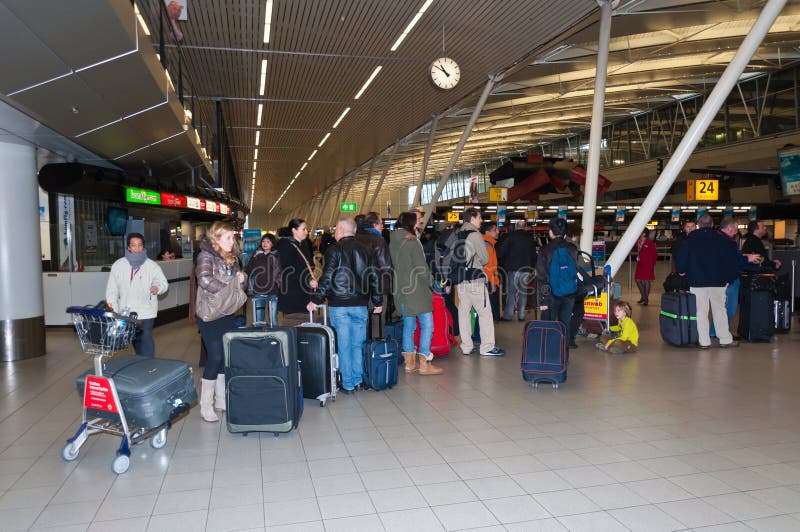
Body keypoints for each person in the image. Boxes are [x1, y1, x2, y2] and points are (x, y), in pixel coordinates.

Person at [308, 218, 382, 393]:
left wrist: (316, 300)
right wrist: (377, 301)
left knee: (344, 345)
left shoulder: (334, 250)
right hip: (360, 304)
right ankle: (357, 380)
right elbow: (375, 277)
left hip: (339, 305)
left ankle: (347, 384)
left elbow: (327, 277)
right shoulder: (367, 250)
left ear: (340, 230)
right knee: (358, 344)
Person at [195, 222, 247, 422]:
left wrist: (242, 278)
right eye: (227, 238)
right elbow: (204, 280)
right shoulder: (205, 256)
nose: (231, 241)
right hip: (209, 313)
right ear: (216, 239)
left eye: (232, 237)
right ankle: (205, 405)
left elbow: (239, 279)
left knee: (225, 355)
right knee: (215, 355)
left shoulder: (231, 258)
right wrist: (228, 287)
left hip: (225, 312)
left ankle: (221, 400)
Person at [389, 212, 443, 375]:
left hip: (401, 289)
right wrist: (431, 282)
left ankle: (409, 363)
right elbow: (421, 268)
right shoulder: (412, 243)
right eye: (418, 218)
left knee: (409, 326)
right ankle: (425, 363)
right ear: (412, 223)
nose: (420, 220)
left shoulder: (393, 241)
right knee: (427, 325)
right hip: (417, 291)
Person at [675, 214, 740, 349]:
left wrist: (681, 271)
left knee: (701, 311)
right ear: (712, 224)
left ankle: (704, 341)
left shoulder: (690, 239)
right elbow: (732, 261)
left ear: (698, 225)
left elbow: (682, 259)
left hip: (697, 282)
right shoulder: (722, 239)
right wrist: (729, 278)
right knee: (720, 310)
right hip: (718, 282)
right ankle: (725, 339)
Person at [105, 232, 168, 358]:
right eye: (133, 245)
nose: (137, 248)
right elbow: (112, 290)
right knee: (136, 342)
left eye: (139, 245)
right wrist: (115, 311)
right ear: (128, 247)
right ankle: (141, 365)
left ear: (143, 247)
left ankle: (149, 368)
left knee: (145, 341)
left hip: (146, 312)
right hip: (126, 312)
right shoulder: (118, 265)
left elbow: (163, 283)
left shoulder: (151, 265)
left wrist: (157, 287)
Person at [454, 208, 505, 356]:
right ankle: (487, 347)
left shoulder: (457, 233)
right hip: (475, 279)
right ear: (472, 218)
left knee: (463, 312)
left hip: (461, 280)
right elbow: (485, 259)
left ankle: (466, 346)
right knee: (485, 313)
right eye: (480, 217)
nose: (481, 220)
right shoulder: (475, 235)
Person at [711, 217, 760, 339]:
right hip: (729, 280)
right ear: (729, 228)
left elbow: (726, 257)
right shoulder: (727, 241)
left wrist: (742, 255)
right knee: (730, 308)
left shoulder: (715, 238)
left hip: (718, 278)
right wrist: (747, 259)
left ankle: (714, 331)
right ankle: (721, 333)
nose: (736, 232)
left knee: (721, 308)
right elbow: (732, 260)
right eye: (735, 229)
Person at [536, 218, 579, 338]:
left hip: (551, 295)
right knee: (565, 324)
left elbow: (542, 276)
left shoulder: (544, 250)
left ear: (550, 232)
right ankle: (563, 353)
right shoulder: (573, 248)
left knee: (548, 326)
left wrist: (543, 300)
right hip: (569, 293)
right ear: (565, 233)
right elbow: (575, 270)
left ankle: (547, 352)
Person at [356, 211, 393, 334]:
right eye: (381, 223)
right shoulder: (379, 241)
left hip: (359, 289)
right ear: (374, 225)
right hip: (378, 288)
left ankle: (363, 349)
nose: (383, 226)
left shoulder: (356, 239)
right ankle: (375, 350)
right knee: (377, 323)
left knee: (361, 323)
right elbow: (386, 268)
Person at [277, 219, 318, 327]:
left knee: (306, 322)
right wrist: (307, 280)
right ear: (294, 230)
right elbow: (289, 269)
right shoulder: (285, 246)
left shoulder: (303, 244)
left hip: (304, 290)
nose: (306, 232)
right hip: (292, 292)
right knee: (293, 321)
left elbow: (309, 263)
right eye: (303, 229)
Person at [496, 220, 537, 321]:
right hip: (526, 268)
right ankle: (521, 315)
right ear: (525, 227)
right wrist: (532, 267)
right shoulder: (530, 238)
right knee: (523, 292)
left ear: (516, 226)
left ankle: (508, 316)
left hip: (513, 268)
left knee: (511, 292)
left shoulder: (510, 237)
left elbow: (501, 252)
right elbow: (534, 255)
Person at [244, 233, 281, 325]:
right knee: (259, 321)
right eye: (263, 241)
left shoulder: (277, 256)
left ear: (272, 243)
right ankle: (260, 338)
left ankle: (275, 338)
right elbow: (248, 268)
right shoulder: (257, 255)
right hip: (259, 291)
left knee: (273, 320)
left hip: (273, 290)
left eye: (268, 241)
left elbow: (281, 272)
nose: (265, 243)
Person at [566, 223, 587, 349]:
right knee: (578, 312)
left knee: (565, 312)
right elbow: (581, 265)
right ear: (576, 234)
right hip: (574, 285)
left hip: (561, 285)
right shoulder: (574, 246)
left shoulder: (561, 244)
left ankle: (561, 337)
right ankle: (570, 339)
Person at [635, 228, 657, 305]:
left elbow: (654, 255)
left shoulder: (649, 243)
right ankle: (643, 297)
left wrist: (652, 265)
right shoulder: (638, 242)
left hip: (648, 264)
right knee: (638, 280)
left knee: (646, 281)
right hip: (640, 264)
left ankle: (645, 299)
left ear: (644, 233)